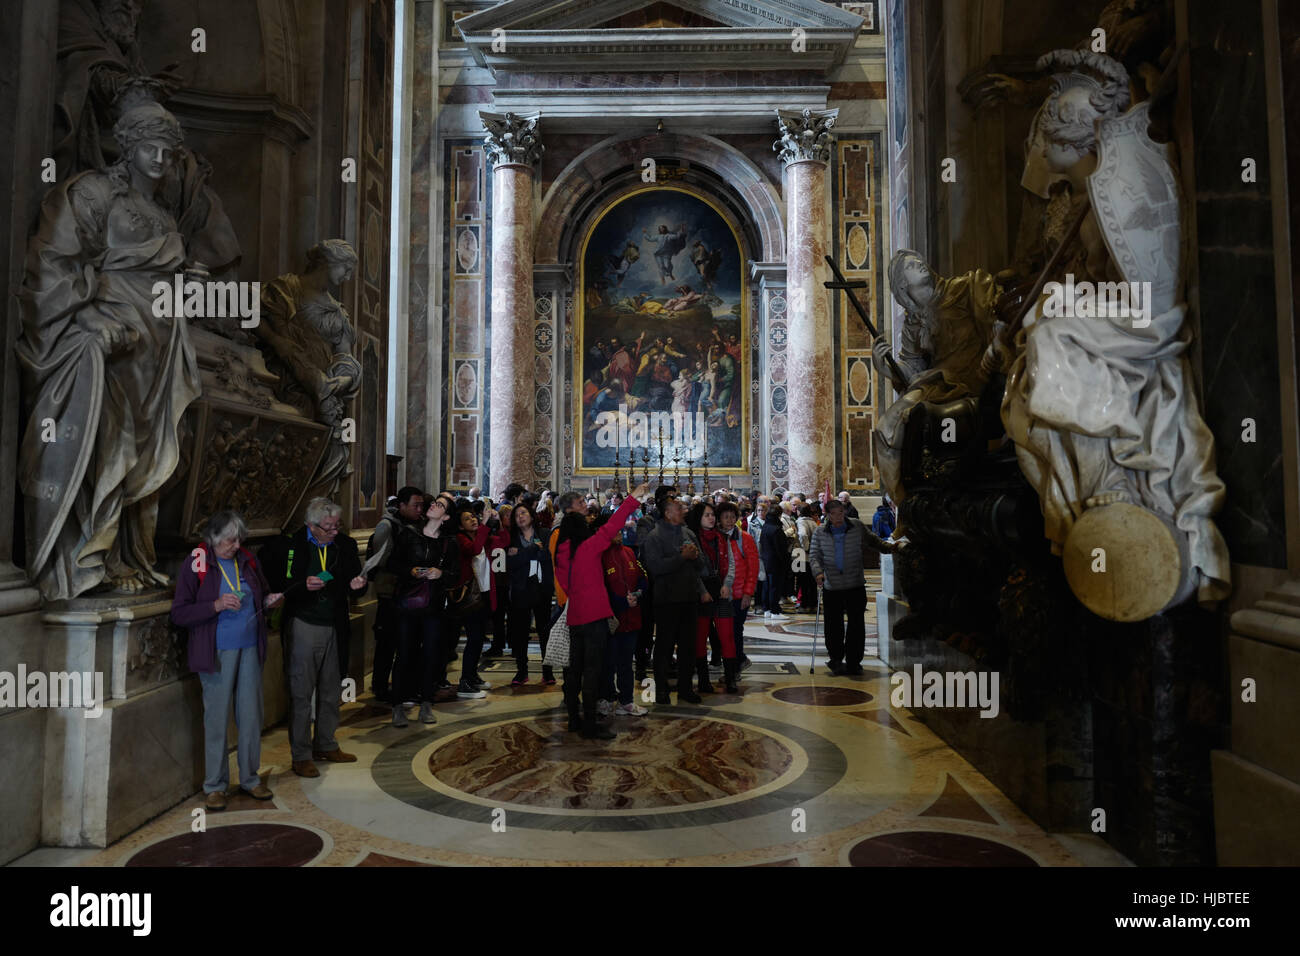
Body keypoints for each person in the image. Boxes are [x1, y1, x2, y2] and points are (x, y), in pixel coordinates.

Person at [171, 511, 281, 809]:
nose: (236, 545)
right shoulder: (197, 562)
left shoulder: (247, 559)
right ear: (214, 539)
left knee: (250, 717)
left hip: (249, 650)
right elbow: (180, 613)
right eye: (230, 540)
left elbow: (262, 592)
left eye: (238, 539)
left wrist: (269, 601)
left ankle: (250, 779)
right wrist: (216, 605)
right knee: (217, 720)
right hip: (216, 652)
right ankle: (215, 785)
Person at [260, 497, 368, 777]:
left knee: (332, 688)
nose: (334, 532)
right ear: (311, 525)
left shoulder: (344, 545)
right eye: (328, 527)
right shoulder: (291, 546)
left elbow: (354, 584)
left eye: (337, 526)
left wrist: (358, 585)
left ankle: (327, 743)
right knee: (301, 691)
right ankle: (301, 754)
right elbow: (278, 585)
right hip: (303, 623)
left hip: (335, 624)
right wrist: (301, 585)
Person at [554, 482, 649, 738]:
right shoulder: (588, 548)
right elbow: (612, 525)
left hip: (575, 616)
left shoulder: (562, 551)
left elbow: (564, 583)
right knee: (593, 670)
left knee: (574, 670)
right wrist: (633, 499)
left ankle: (574, 718)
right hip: (595, 615)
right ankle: (589, 725)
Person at [386, 495, 460, 726]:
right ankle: (398, 705)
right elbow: (391, 564)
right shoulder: (408, 534)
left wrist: (441, 574)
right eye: (434, 503)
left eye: (440, 505)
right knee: (405, 653)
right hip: (408, 605)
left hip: (433, 607)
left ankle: (427, 703)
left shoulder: (449, 543)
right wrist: (411, 571)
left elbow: (455, 575)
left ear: (446, 516)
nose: (433, 506)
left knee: (431, 655)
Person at [809, 499, 898, 676]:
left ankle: (854, 661)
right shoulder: (820, 532)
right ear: (827, 515)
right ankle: (835, 658)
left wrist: (894, 548)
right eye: (833, 514)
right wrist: (818, 572)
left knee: (856, 625)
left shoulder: (856, 526)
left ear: (844, 511)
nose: (838, 517)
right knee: (833, 626)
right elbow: (814, 555)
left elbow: (875, 542)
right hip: (832, 586)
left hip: (854, 584)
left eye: (840, 512)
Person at [642, 487, 710, 704]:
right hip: (666, 600)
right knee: (664, 646)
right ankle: (661, 689)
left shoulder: (689, 533)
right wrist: (682, 557)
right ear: (667, 513)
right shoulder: (654, 536)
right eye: (678, 508)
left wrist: (695, 556)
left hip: (689, 598)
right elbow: (655, 567)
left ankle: (685, 688)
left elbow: (701, 566)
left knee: (688, 647)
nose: (683, 510)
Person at [364, 487, 425, 703]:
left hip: (407, 593)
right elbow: (382, 560)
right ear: (401, 505)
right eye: (415, 505)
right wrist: (408, 569)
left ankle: (404, 685)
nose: (420, 509)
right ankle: (380, 687)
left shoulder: (414, 525)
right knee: (387, 643)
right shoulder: (387, 526)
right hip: (390, 593)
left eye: (421, 505)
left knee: (406, 643)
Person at [447, 501, 510, 699]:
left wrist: (498, 523)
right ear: (460, 525)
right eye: (468, 519)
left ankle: (472, 676)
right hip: (467, 597)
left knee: (477, 639)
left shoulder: (483, 537)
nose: (473, 520)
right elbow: (473, 549)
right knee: (473, 639)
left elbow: (504, 541)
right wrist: (483, 524)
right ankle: (465, 681)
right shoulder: (460, 539)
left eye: (474, 516)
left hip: (482, 594)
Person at [596, 513, 649, 717]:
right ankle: (607, 698)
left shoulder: (629, 551)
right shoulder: (599, 555)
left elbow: (642, 577)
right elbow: (599, 588)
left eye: (619, 530)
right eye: (614, 530)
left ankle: (626, 700)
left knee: (627, 663)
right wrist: (620, 602)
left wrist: (638, 593)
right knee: (608, 663)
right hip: (611, 619)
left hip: (631, 617)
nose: (618, 533)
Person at [686, 501, 740, 694]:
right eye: (707, 515)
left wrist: (727, 584)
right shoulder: (693, 539)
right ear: (698, 518)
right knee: (700, 638)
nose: (712, 518)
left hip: (721, 590)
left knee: (727, 636)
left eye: (712, 515)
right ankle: (703, 679)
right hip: (702, 592)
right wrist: (702, 591)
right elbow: (692, 570)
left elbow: (731, 564)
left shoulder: (721, 537)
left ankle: (731, 678)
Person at [504, 501, 554, 686]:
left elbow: (547, 557)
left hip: (541, 587)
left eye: (523, 513)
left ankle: (547, 672)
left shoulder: (545, 534)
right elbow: (512, 564)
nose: (520, 517)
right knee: (520, 632)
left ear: (532, 516)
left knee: (544, 631)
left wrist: (522, 554)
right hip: (520, 589)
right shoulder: (511, 539)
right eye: (517, 516)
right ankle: (521, 671)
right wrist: (532, 550)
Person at [716, 501, 758, 670]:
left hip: (739, 593)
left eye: (733, 517)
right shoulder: (715, 537)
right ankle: (727, 661)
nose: (729, 521)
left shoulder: (744, 538)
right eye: (726, 517)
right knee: (722, 632)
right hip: (720, 593)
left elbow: (753, 568)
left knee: (735, 631)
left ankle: (738, 661)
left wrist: (748, 593)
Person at [758, 503, 791, 621]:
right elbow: (781, 549)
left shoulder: (766, 526)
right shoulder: (776, 529)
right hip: (776, 562)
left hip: (766, 560)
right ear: (779, 514)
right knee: (775, 587)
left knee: (767, 586)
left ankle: (767, 609)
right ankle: (775, 611)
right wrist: (786, 562)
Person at [795, 504, 820, 613]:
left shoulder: (800, 522)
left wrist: (806, 547)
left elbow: (802, 534)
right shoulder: (813, 522)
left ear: (799, 512)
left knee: (802, 582)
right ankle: (813, 604)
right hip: (814, 556)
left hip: (801, 555)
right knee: (812, 582)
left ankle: (804, 605)